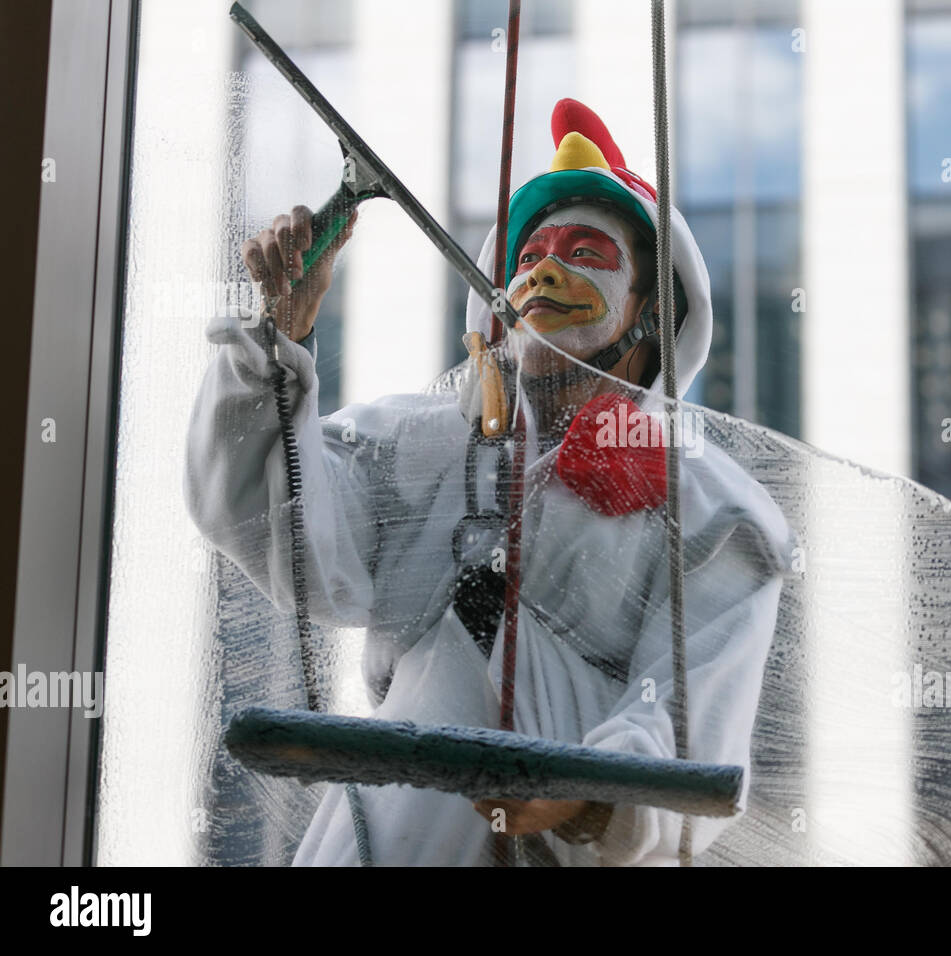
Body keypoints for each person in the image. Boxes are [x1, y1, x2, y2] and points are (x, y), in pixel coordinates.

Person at [184, 99, 791, 865]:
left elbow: (695, 713)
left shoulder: (714, 511)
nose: (543, 269)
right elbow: (272, 526)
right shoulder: (421, 445)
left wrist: (586, 793)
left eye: (586, 253)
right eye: (531, 254)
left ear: (653, 316)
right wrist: (276, 345)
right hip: (390, 827)